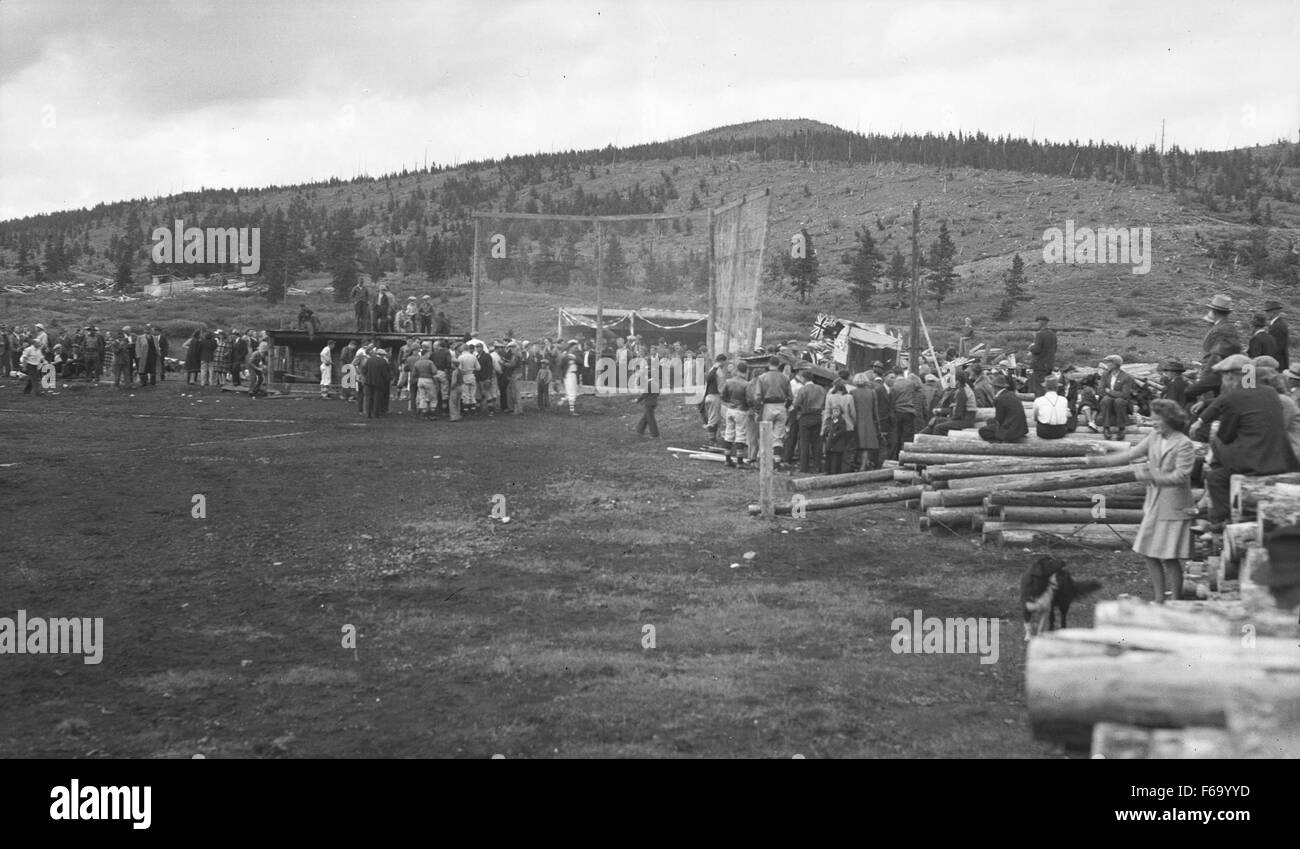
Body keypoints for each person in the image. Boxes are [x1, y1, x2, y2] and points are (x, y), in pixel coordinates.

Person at [1193, 354, 1299, 526]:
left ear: (1230, 376)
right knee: (1217, 475)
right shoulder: (1270, 392)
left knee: (1216, 441)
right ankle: (1217, 510)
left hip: (1253, 461)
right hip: (1281, 458)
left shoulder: (1236, 396)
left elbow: (1225, 436)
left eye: (1223, 377)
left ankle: (1219, 518)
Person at [1128, 399, 1197, 604]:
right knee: (1148, 552)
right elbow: (1131, 454)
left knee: (1169, 556)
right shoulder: (1154, 436)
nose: (1153, 422)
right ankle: (1159, 599)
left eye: (1157, 419)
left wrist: (1152, 478)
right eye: (1152, 418)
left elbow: (1182, 476)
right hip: (1154, 504)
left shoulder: (1184, 443)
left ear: (1170, 419)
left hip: (1174, 505)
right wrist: (1100, 460)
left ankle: (1175, 600)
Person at [755, 356, 792, 465]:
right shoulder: (785, 378)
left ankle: (763, 461)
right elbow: (790, 397)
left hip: (768, 406)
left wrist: (758, 410)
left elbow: (757, 396)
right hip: (781, 406)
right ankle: (776, 462)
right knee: (778, 436)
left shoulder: (762, 378)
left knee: (765, 434)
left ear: (768, 364)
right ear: (779, 364)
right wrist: (785, 407)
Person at [790, 366, 827, 473]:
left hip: (805, 417)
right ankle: (817, 467)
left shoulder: (803, 389)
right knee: (817, 444)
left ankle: (804, 468)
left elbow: (797, 404)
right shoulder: (821, 389)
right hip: (817, 416)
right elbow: (824, 403)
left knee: (804, 443)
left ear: (804, 378)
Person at [822, 378, 857, 475]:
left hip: (834, 426)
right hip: (848, 426)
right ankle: (844, 469)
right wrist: (854, 423)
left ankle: (832, 469)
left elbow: (827, 413)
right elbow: (853, 413)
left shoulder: (830, 397)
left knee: (833, 449)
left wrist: (824, 427)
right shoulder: (849, 397)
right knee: (847, 449)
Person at [979, 374, 1028, 443]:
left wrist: (990, 423)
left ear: (995, 387)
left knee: (982, 431)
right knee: (990, 421)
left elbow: (999, 419)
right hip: (1022, 429)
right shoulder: (1011, 394)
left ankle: (998, 442)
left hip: (1012, 431)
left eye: (992, 386)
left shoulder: (999, 399)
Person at [849, 372, 882, 471]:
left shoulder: (852, 392)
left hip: (855, 421)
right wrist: (878, 423)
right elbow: (875, 410)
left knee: (855, 444)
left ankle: (854, 465)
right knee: (866, 446)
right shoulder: (872, 392)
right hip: (868, 421)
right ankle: (863, 465)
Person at [1096, 355, 1134, 440]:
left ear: (1115, 364)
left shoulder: (1126, 377)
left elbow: (1124, 395)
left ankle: (1121, 428)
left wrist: (1109, 391)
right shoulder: (1105, 375)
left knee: (1119, 401)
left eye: (1109, 363)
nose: (1107, 365)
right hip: (1108, 400)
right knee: (1106, 400)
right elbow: (1100, 391)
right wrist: (1113, 394)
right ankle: (1106, 427)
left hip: (1121, 402)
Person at [929, 371, 977, 436]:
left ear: (957, 381)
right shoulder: (964, 389)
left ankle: (938, 443)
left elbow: (958, 415)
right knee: (938, 421)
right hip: (964, 419)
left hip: (965, 421)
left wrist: (948, 420)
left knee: (939, 428)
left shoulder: (962, 392)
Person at [1200, 294, 1240, 366]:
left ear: (1214, 312)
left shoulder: (1221, 329)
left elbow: (1215, 355)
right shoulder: (1229, 328)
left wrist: (1205, 366)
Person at [1028, 315, 1057, 396]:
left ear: (1040, 322)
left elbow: (1037, 349)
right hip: (1049, 364)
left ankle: (1041, 403)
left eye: (1037, 322)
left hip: (1039, 365)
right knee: (1047, 385)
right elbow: (1055, 349)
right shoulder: (1053, 334)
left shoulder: (1040, 334)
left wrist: (1031, 347)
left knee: (1039, 387)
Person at [702, 354, 727, 444]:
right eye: (725, 361)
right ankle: (711, 441)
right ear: (722, 361)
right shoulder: (717, 369)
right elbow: (720, 385)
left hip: (709, 396)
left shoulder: (712, 368)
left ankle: (713, 439)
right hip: (714, 396)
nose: (725, 364)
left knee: (715, 418)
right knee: (713, 419)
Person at [634, 357, 660, 438]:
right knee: (646, 417)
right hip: (654, 403)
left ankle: (655, 434)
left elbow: (644, 394)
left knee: (650, 419)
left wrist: (637, 400)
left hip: (649, 404)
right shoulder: (655, 383)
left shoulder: (649, 384)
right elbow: (658, 393)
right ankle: (639, 430)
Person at [363, 346, 390, 418]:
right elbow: (385, 374)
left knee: (369, 398)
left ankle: (368, 414)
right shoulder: (383, 361)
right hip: (379, 382)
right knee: (377, 398)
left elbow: (364, 370)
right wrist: (388, 379)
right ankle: (376, 414)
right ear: (382, 355)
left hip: (368, 381)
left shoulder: (369, 360)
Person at [1263, 299, 1290, 371]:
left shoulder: (1277, 326)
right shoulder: (1278, 324)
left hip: (1278, 363)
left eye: (1267, 311)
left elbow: (1276, 348)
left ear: (1273, 312)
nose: (1266, 314)